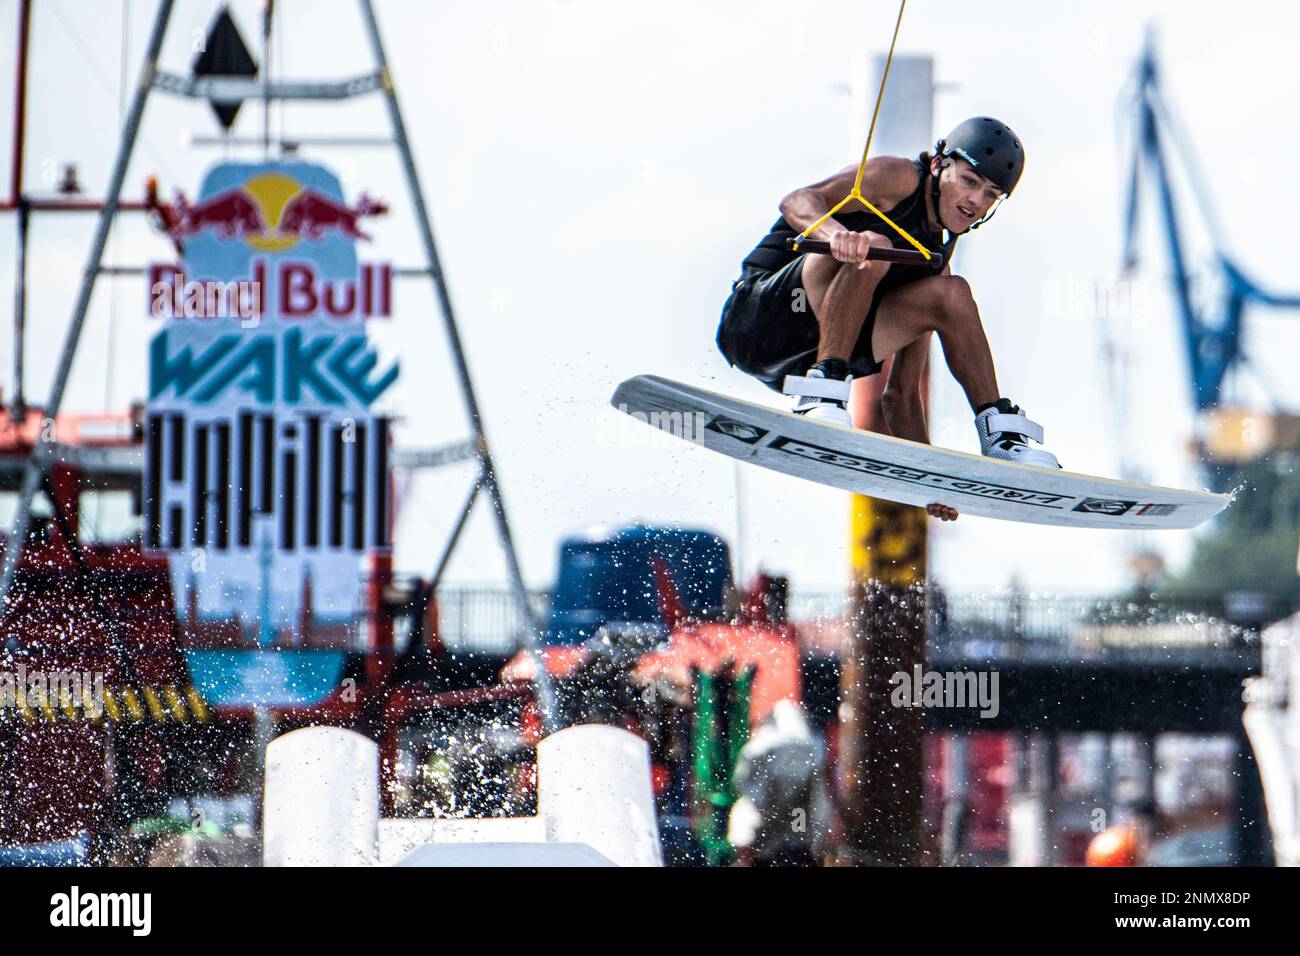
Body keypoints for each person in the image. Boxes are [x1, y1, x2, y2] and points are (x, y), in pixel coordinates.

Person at [716, 118, 1062, 523]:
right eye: (969, 181)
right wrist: (836, 235)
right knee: (875, 247)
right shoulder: (896, 177)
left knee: (951, 293)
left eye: (991, 195)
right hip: (758, 320)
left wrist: (929, 481)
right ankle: (823, 390)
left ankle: (998, 431)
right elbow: (797, 200)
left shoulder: (934, 261)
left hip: (806, 354)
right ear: (938, 166)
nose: (976, 202)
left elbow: (899, 396)